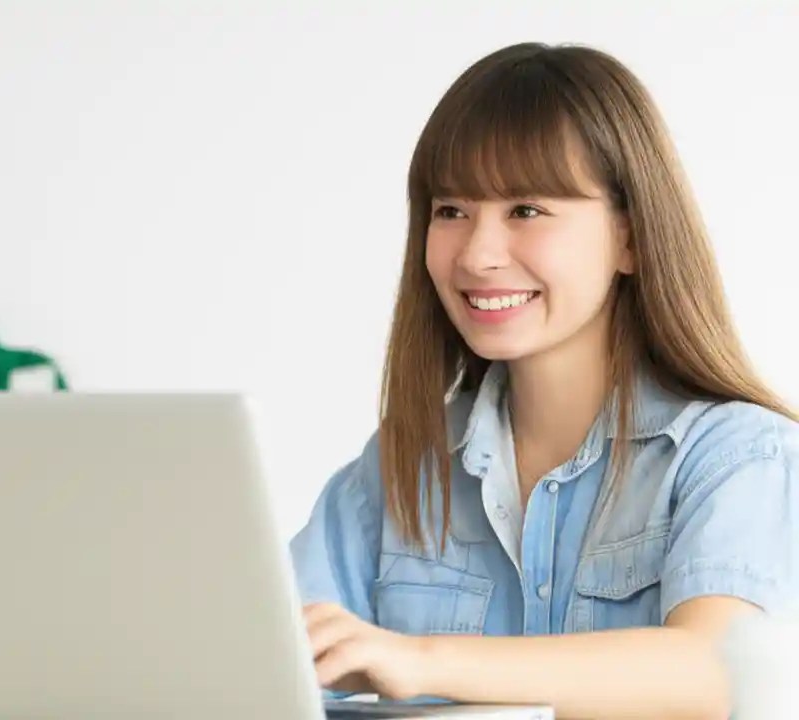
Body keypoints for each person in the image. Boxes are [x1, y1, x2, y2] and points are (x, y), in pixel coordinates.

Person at [290, 41, 799, 719]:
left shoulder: (738, 457)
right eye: (451, 210)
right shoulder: (399, 466)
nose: (477, 252)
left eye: (526, 210)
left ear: (630, 237)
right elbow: (256, 665)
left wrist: (417, 659)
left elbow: (710, 672)